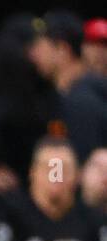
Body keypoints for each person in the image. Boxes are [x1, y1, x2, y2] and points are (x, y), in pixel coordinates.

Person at [26, 10, 107, 162]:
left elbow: (81, 169)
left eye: (39, 45)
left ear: (62, 49)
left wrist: (52, 180)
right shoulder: (71, 96)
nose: (33, 54)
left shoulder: (80, 102)